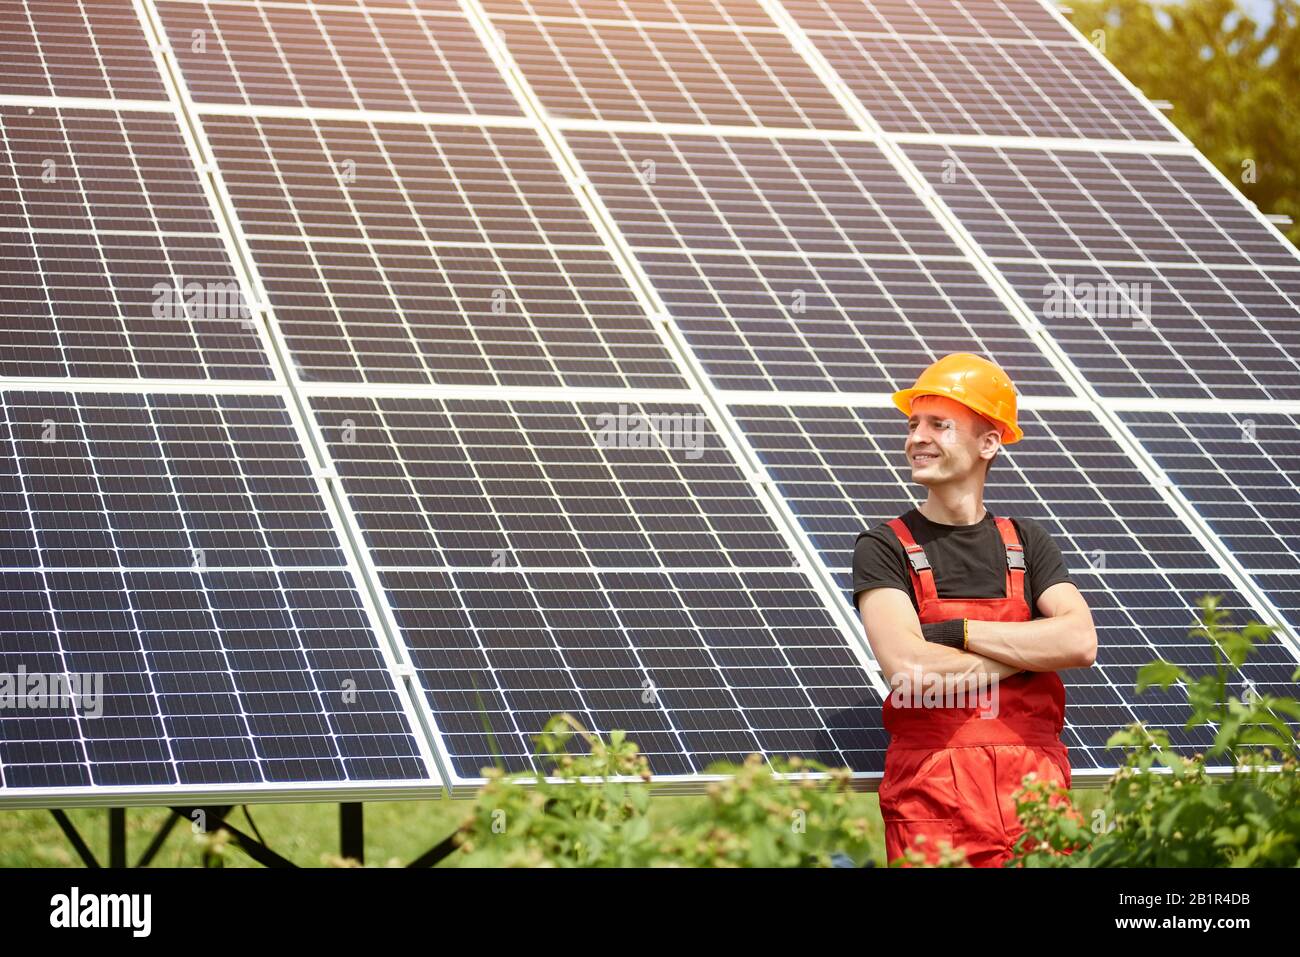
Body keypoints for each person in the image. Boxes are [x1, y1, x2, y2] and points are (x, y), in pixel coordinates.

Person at [854, 353, 1097, 867]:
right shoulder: (884, 547)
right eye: (913, 423)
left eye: (940, 425)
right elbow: (911, 672)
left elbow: (1078, 643)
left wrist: (959, 631)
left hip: (1035, 786)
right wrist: (1030, 653)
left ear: (989, 442)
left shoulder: (1027, 542)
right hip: (934, 789)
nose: (917, 437)